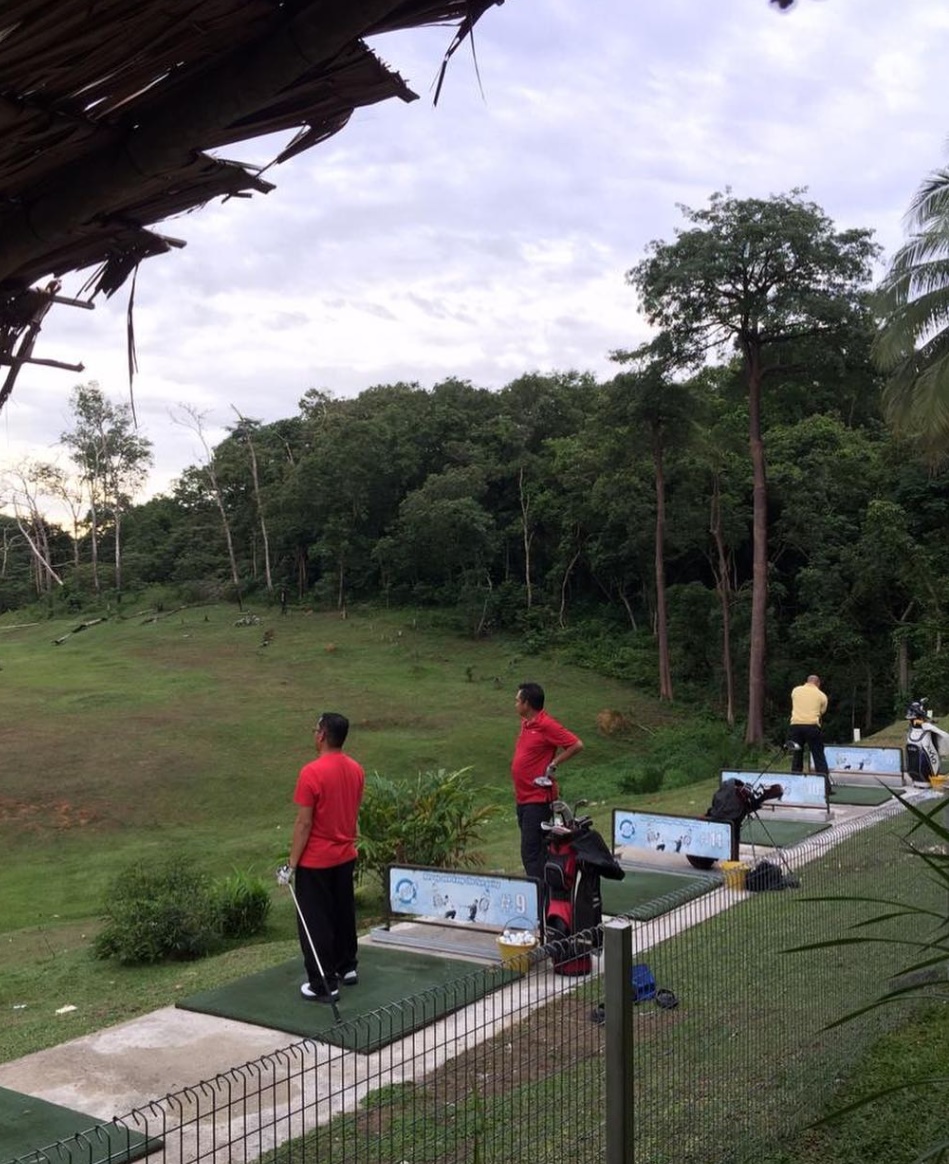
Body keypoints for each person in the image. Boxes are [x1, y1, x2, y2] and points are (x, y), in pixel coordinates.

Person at [281, 711, 365, 1003]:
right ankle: (347, 967)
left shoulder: (311, 772)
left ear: (322, 735)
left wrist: (292, 863)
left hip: (316, 861)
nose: (314, 734)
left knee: (315, 920)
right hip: (345, 855)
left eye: (316, 729)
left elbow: (304, 823)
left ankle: (322, 983)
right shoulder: (356, 768)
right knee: (342, 911)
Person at [510, 682, 584, 883]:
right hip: (523, 798)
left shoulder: (546, 725)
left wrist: (554, 763)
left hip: (537, 798)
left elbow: (575, 744)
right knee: (533, 851)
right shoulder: (526, 723)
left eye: (518, 700)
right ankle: (542, 893)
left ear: (527, 704)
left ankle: (539, 898)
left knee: (531, 853)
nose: (515, 704)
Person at [789, 674, 831, 796]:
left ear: (806, 681)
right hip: (812, 726)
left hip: (795, 726)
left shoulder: (795, 690)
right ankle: (825, 788)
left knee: (797, 755)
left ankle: (795, 785)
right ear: (818, 684)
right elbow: (821, 711)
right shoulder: (821, 695)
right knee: (818, 756)